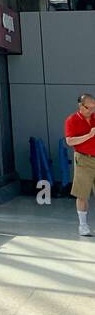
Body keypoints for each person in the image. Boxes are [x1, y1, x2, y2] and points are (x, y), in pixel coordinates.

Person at [64, 93, 95, 237]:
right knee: (82, 193)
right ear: (80, 106)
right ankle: (83, 225)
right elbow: (70, 141)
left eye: (94, 108)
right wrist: (89, 135)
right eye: (88, 108)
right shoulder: (72, 120)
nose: (91, 111)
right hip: (83, 159)